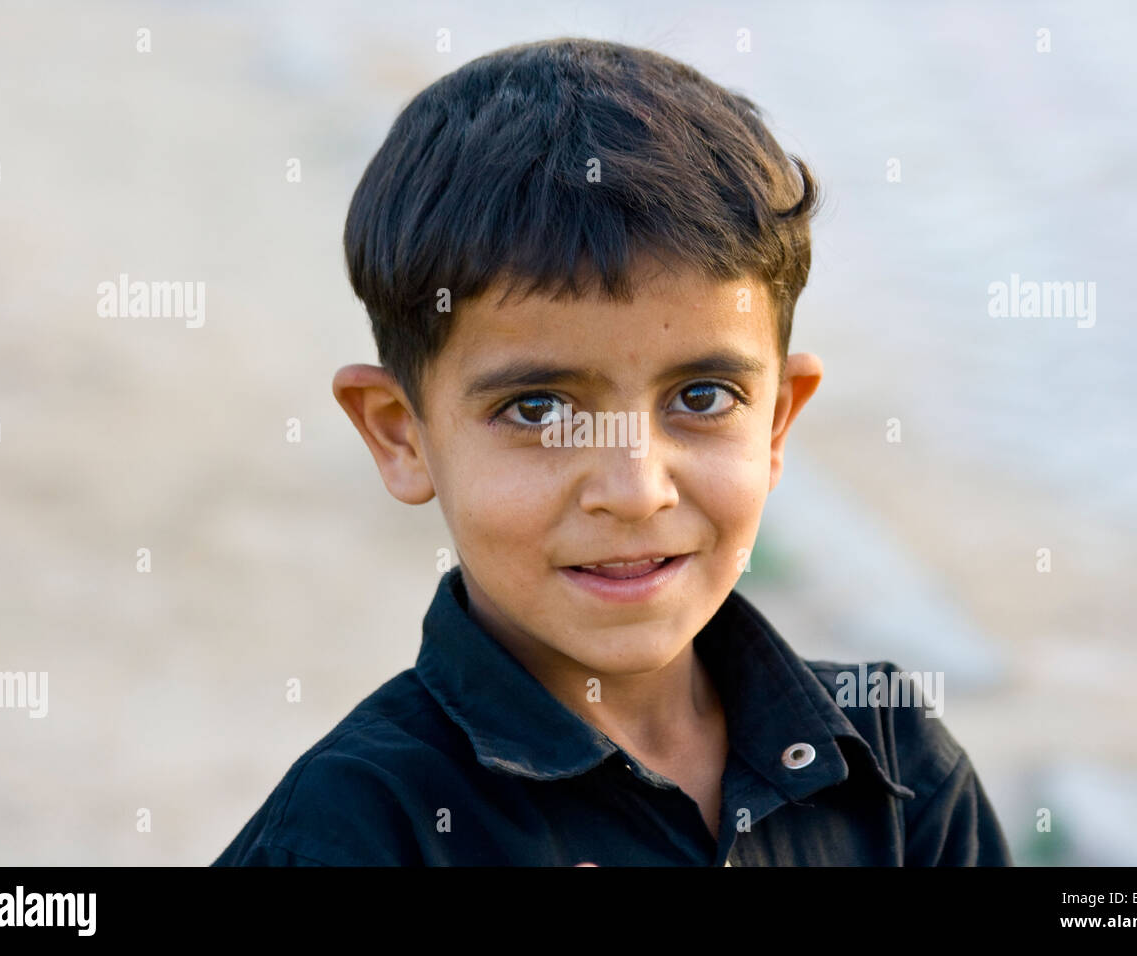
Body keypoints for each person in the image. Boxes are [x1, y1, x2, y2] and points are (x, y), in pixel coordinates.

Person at [213, 36, 1012, 866]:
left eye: (701, 398)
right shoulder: (358, 829)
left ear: (776, 422)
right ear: (399, 433)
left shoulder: (888, 763)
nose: (635, 491)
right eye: (539, 409)